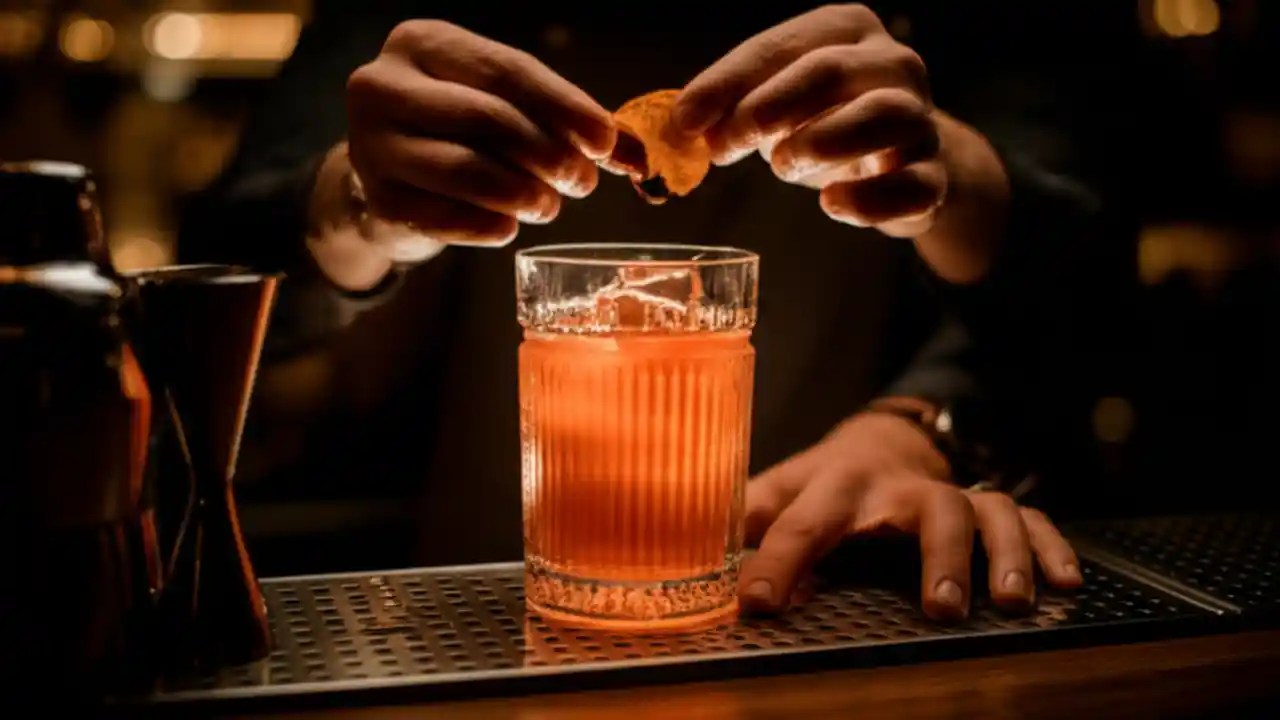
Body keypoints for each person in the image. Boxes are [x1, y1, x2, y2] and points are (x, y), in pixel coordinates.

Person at [182, 2, 1123, 620]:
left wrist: (920, 420)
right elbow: (226, 261)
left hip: (816, 591)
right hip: (495, 600)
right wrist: (357, 200)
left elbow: (1092, 279)